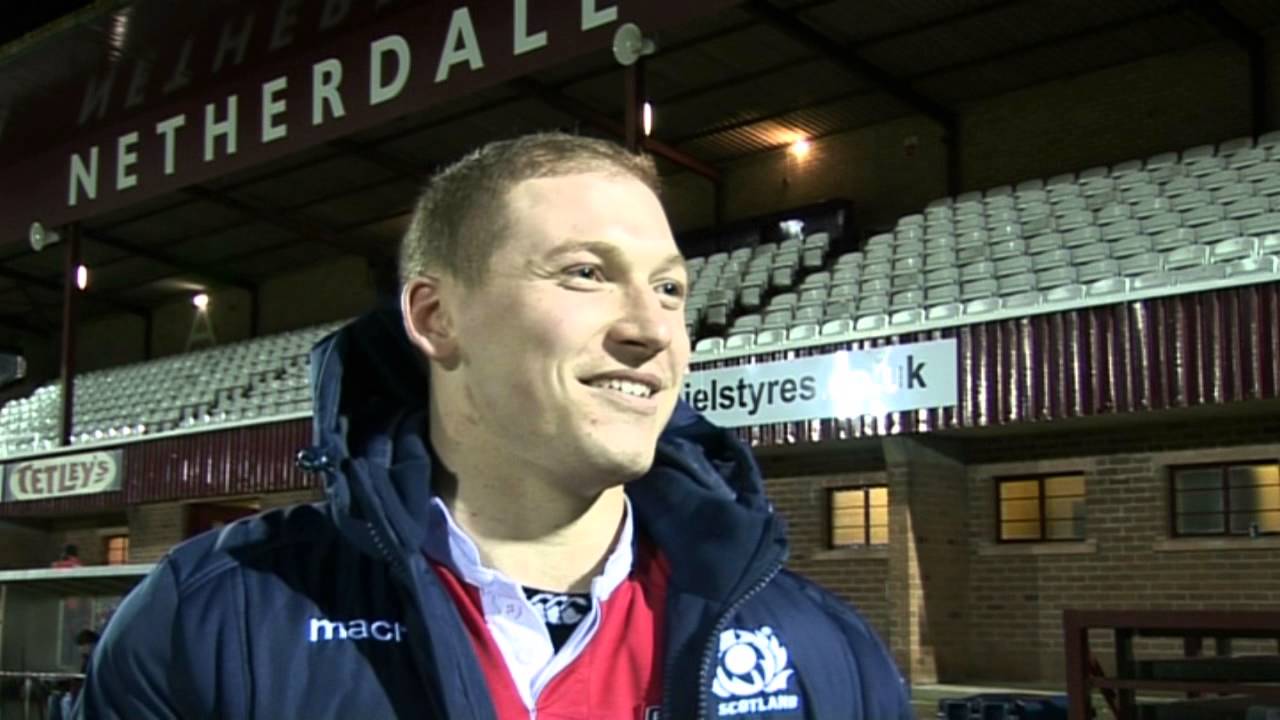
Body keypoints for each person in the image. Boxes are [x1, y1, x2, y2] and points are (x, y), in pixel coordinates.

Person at [77, 133, 911, 719]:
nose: (653, 329)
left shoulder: (818, 647)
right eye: (586, 273)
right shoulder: (216, 619)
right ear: (437, 317)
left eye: (669, 290)